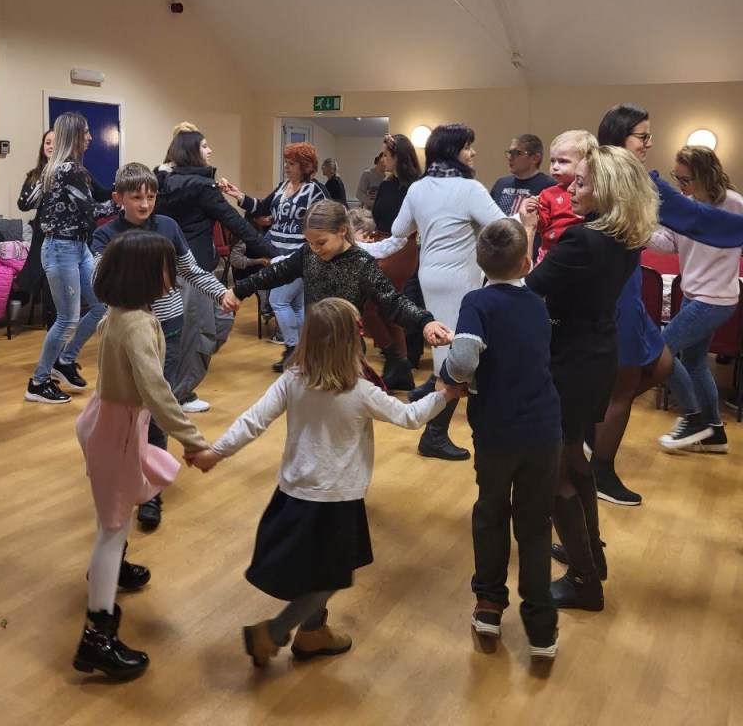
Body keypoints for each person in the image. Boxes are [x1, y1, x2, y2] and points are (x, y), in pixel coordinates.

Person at [186, 297, 462, 668]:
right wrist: (443, 394)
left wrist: (216, 452)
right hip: (337, 499)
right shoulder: (360, 391)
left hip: (294, 493)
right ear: (353, 342)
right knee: (329, 576)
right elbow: (410, 417)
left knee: (315, 569)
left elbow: (254, 419)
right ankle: (275, 632)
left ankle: (313, 634)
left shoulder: (294, 378)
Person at [524, 146, 658, 612]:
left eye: (580, 182)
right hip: (596, 355)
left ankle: (584, 581)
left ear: (607, 189)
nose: (570, 189)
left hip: (570, 360)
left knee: (555, 474)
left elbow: (528, 288)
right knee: (576, 459)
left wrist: (524, 232)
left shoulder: (584, 240)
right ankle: (591, 554)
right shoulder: (624, 236)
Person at [73, 232, 211, 680]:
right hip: (117, 429)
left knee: (117, 506)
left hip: (109, 421)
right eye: (168, 267)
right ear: (147, 275)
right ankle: (98, 636)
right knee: (112, 526)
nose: (174, 275)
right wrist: (192, 439)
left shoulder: (123, 313)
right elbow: (156, 391)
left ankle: (109, 569)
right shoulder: (134, 324)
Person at [589, 103, 743, 504]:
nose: (649, 142)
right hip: (611, 291)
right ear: (622, 135)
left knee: (656, 364)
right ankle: (597, 466)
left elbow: (692, 221)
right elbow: (695, 220)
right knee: (626, 380)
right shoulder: (615, 176)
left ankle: (592, 439)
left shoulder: (628, 178)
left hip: (623, 288)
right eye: (643, 135)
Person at [91, 163, 238, 531]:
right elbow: (99, 282)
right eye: (136, 196)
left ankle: (150, 492)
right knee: (127, 411)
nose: (144, 204)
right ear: (118, 198)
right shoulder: (105, 236)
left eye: (151, 196)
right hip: (125, 335)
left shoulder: (169, 227)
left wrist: (221, 292)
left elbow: (189, 270)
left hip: (167, 333)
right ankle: (123, 476)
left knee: (155, 410)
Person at [440, 219, 561, 659]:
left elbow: (466, 356)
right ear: (527, 262)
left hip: (496, 433)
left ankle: (489, 606)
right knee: (534, 525)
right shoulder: (536, 303)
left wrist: (451, 375)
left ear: (479, 261)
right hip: (545, 431)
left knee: (491, 514)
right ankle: (542, 628)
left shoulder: (478, 301)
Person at [228, 200, 451, 371]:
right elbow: (275, 273)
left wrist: (425, 322)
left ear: (342, 230)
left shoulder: (361, 263)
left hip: (347, 352)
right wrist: (239, 291)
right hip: (313, 347)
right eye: (311, 243)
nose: (315, 248)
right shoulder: (308, 255)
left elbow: (393, 301)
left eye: (321, 242)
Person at [392, 123, 504, 460]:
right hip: (460, 278)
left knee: (449, 349)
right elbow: (501, 226)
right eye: (468, 147)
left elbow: (400, 230)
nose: (473, 153)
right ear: (453, 151)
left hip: (430, 275)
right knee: (457, 354)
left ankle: (427, 396)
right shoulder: (469, 189)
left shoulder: (419, 188)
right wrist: (528, 220)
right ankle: (434, 433)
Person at [155, 130, 274, 411]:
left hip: (177, 269)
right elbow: (238, 225)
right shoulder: (201, 187)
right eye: (205, 146)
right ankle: (178, 395)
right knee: (200, 333)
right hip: (193, 272)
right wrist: (277, 254)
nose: (210, 151)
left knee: (213, 324)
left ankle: (174, 389)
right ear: (191, 152)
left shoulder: (164, 181)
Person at [648, 146, 743, 453]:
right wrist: (640, 230)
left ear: (705, 174)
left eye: (686, 178)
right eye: (677, 176)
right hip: (693, 296)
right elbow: (668, 242)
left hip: (715, 299)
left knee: (661, 350)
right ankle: (715, 433)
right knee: (695, 363)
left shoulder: (734, 205)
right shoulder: (684, 205)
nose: (680, 184)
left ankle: (695, 419)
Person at [25, 112, 116, 405]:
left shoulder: (62, 169)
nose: (90, 137)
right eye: (86, 132)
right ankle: (38, 382)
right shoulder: (66, 170)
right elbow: (90, 210)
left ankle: (65, 359)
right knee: (67, 318)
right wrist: (121, 204)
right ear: (75, 136)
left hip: (78, 247)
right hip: (60, 248)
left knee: (101, 306)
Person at [224, 144, 328, 371]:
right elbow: (261, 207)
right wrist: (238, 195)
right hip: (276, 253)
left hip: (300, 255)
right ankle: (302, 354)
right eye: (286, 162)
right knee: (294, 304)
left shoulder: (316, 191)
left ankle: (292, 350)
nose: (286, 167)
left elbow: (328, 218)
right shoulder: (283, 187)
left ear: (305, 166)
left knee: (278, 301)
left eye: (292, 164)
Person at [364, 133, 422, 389]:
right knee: (387, 309)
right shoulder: (386, 185)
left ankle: (394, 359)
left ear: (399, 157)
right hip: (381, 244)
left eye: (386, 155)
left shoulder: (416, 188)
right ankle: (401, 369)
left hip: (402, 249)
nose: (382, 159)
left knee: (368, 303)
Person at [519, 130, 597, 263]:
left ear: (584, 163)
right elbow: (541, 225)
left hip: (582, 251)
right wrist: (534, 211)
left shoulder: (592, 193)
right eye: (552, 161)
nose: (555, 167)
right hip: (551, 251)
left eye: (563, 161)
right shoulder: (548, 193)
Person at [15, 129, 56, 325]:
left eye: (55, 143)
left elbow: (97, 196)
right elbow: (23, 205)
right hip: (44, 237)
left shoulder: (73, 173)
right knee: (48, 285)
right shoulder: (35, 176)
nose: (50, 146)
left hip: (68, 239)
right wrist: (43, 180)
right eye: (47, 142)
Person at [490, 134, 554, 218]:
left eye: (516, 153)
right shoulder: (501, 184)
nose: (510, 157)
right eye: (510, 152)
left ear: (535, 158)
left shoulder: (549, 186)